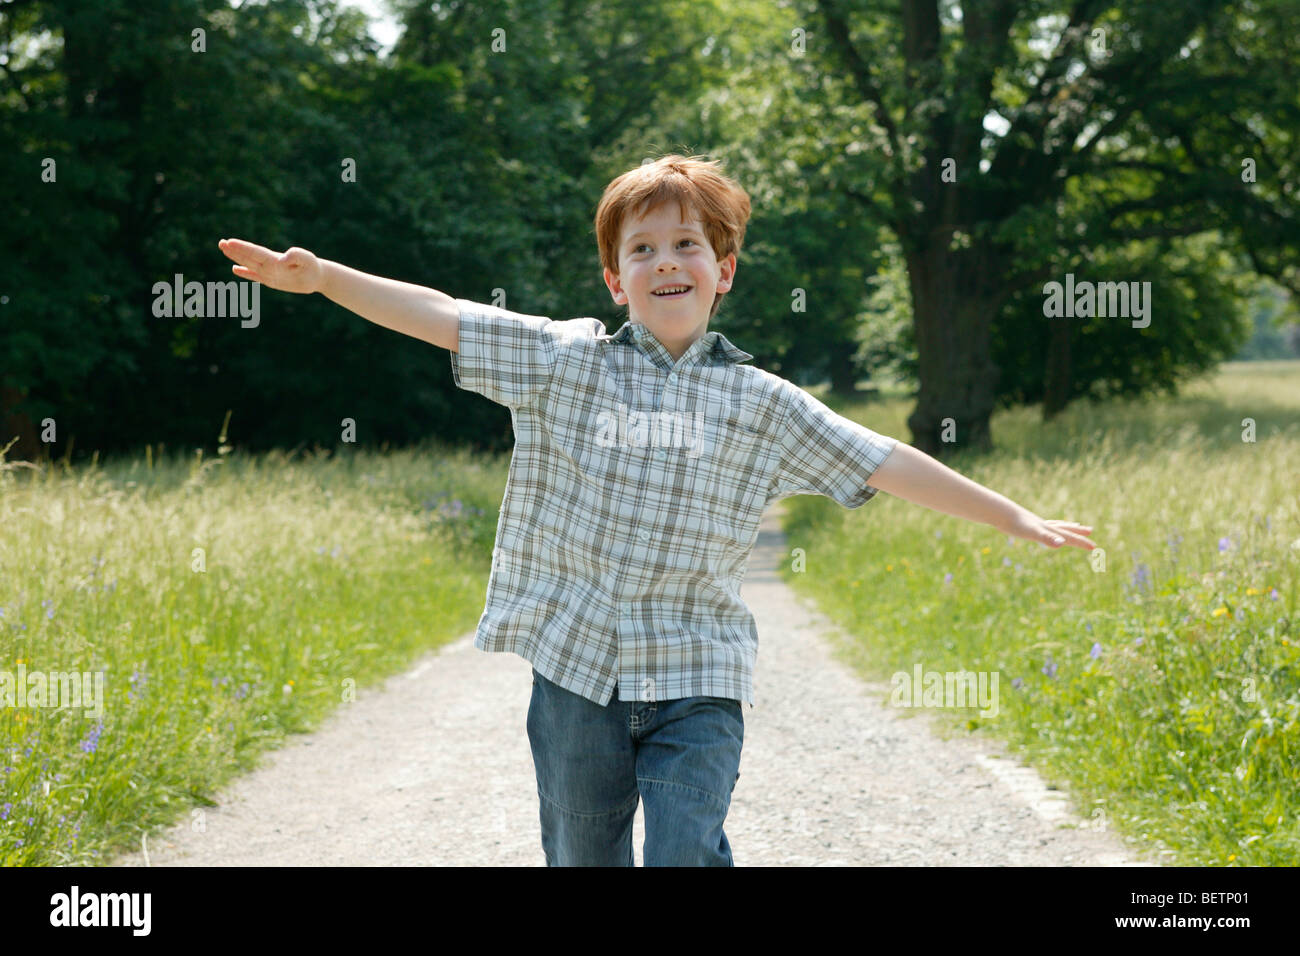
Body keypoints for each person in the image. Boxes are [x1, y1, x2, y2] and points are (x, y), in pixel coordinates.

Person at [218, 153, 1095, 867]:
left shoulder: (765, 404)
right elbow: (447, 317)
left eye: (687, 245)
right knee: (582, 855)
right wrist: (326, 278)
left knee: (683, 855)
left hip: (697, 676)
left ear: (725, 270)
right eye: (643, 249)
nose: (666, 261)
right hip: (576, 673)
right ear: (614, 278)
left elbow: (885, 458)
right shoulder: (566, 362)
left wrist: (1011, 514)